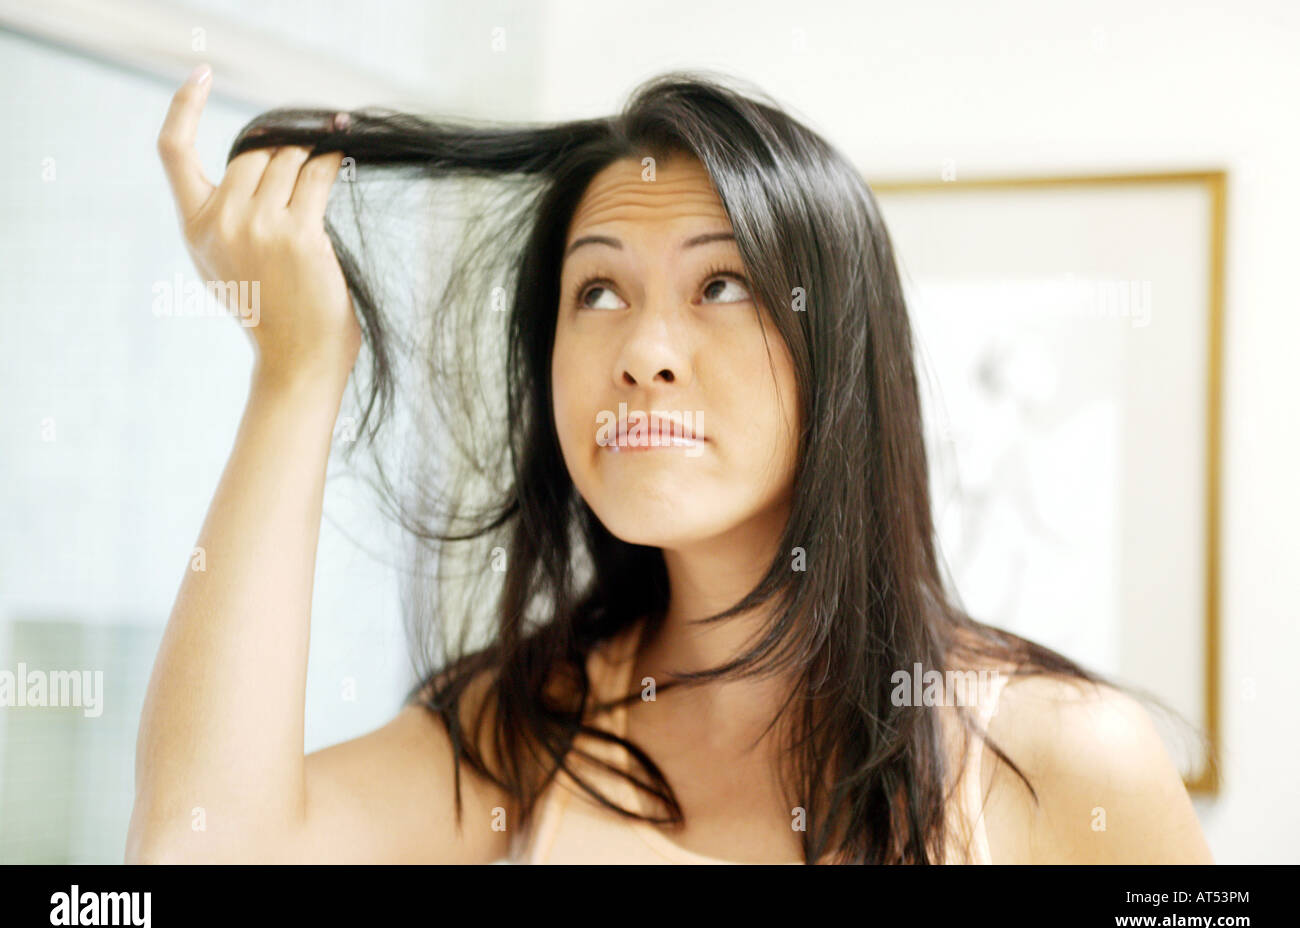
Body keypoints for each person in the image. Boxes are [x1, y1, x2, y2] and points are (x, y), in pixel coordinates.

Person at [127, 63, 1214, 864]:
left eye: (721, 286)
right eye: (596, 292)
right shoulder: (524, 738)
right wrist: (296, 369)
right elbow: (192, 854)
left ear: (838, 352)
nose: (641, 353)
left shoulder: (1065, 759)